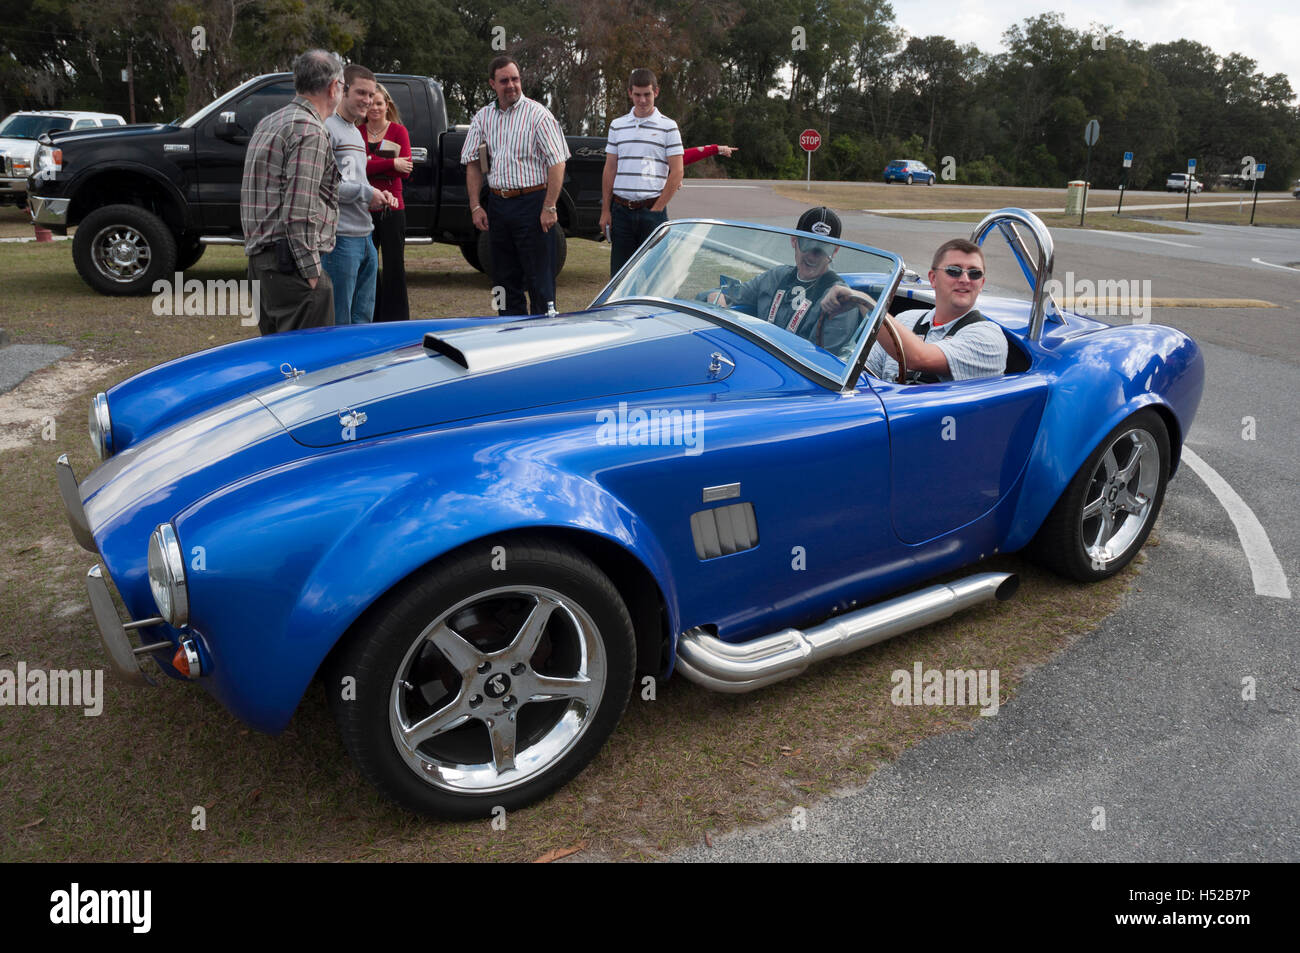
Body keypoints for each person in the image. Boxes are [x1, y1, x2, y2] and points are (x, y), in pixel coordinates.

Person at [240, 49, 342, 335]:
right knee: (306, 369)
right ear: (334, 86)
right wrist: (312, 275)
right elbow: (300, 212)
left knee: (279, 368)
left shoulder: (270, 122)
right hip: (291, 269)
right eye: (343, 86)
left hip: (262, 264)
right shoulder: (308, 129)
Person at [460, 55, 570, 316]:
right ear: (492, 84)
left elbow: (557, 162)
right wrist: (476, 206)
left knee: (539, 280)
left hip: (533, 205)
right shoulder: (483, 117)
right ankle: (508, 331)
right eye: (504, 80)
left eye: (515, 79)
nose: (511, 85)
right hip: (498, 205)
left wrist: (550, 207)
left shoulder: (538, 116)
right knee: (503, 280)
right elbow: (473, 162)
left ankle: (544, 337)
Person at [710, 207, 871, 355]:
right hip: (757, 357)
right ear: (794, 241)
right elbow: (727, 293)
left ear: (834, 251)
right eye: (808, 244)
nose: (813, 255)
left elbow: (824, 363)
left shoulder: (839, 300)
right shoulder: (775, 276)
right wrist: (717, 300)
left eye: (823, 248)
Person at [864, 238, 1008, 383]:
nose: (965, 279)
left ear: (981, 283)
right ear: (933, 278)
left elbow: (919, 358)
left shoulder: (988, 338)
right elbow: (866, 373)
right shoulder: (905, 319)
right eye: (954, 271)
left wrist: (866, 305)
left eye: (975, 273)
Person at [321, 64, 396, 326]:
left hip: (365, 236)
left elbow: (354, 180)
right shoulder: (326, 128)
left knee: (362, 319)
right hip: (340, 239)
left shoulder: (354, 130)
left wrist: (379, 194)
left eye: (371, 94)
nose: (367, 100)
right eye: (361, 93)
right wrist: (367, 193)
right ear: (342, 90)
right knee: (339, 320)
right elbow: (323, 186)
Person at [599, 68, 684, 276]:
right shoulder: (617, 126)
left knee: (657, 278)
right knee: (620, 278)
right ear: (630, 93)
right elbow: (610, 168)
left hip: (652, 212)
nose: (642, 100)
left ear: (656, 92)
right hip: (621, 212)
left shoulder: (669, 127)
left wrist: (657, 208)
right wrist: (605, 210)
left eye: (647, 94)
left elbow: (677, 171)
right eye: (637, 94)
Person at [361, 82, 412, 321]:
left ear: (387, 105)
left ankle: (396, 319)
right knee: (368, 265)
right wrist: (390, 163)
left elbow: (406, 171)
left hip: (393, 208)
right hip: (364, 207)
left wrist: (372, 162)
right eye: (370, 103)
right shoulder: (357, 132)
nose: (374, 107)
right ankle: (371, 316)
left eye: (379, 103)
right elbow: (358, 167)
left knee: (394, 266)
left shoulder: (398, 132)